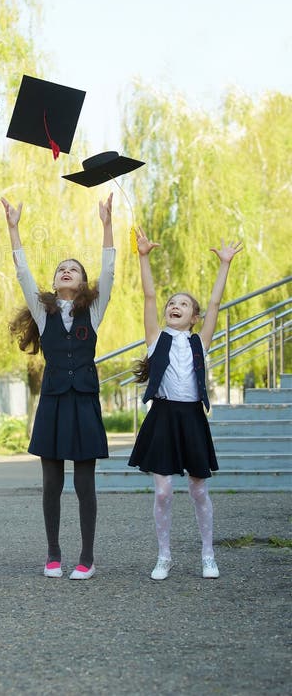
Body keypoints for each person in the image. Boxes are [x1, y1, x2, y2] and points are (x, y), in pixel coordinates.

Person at [1, 193, 115, 581]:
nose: (66, 271)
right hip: (52, 402)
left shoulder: (93, 312)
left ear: (83, 282)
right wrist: (13, 228)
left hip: (84, 402)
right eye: (61, 269)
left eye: (74, 269)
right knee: (51, 483)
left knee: (85, 483)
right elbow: (22, 273)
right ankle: (53, 554)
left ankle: (87, 557)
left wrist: (106, 224)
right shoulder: (42, 310)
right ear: (53, 282)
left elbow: (110, 270)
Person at [128, 228, 243, 581]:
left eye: (182, 304)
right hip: (162, 417)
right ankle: (165, 556)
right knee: (163, 491)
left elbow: (215, 304)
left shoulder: (199, 341)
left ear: (193, 317)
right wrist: (143, 257)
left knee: (198, 488)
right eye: (171, 303)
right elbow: (149, 296)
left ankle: (208, 554)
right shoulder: (155, 338)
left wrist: (224, 265)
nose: (173, 306)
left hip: (192, 416)